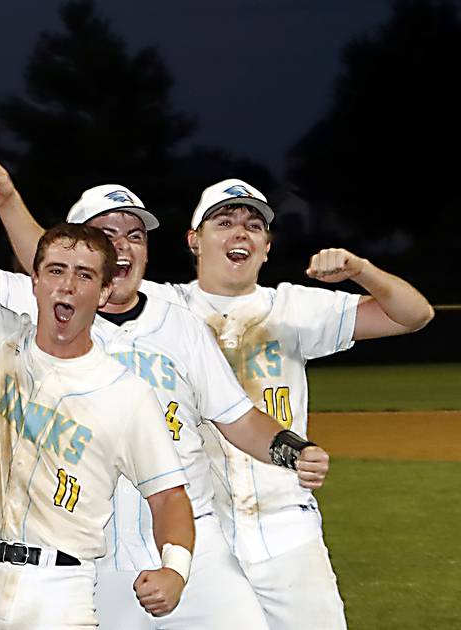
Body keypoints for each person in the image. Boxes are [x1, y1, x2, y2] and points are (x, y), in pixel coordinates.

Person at [0, 170, 333, 628]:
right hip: (93, 554)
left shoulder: (179, 321)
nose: (122, 245)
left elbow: (239, 418)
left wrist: (294, 451)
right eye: (106, 234)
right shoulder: (43, 312)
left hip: (194, 544)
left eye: (135, 235)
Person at [0, 138, 195, 630]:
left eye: (84, 276)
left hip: (58, 589)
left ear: (104, 290)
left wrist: (175, 569)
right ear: (34, 280)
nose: (67, 285)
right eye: (55, 270)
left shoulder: (126, 393)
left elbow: (169, 496)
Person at [141, 179, 430, 629]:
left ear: (267, 248)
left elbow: (414, 315)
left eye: (254, 225)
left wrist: (360, 269)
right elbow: (64, 271)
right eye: (224, 222)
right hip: (197, 531)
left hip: (286, 527)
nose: (241, 232)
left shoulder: (292, 307)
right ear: (194, 240)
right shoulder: (159, 308)